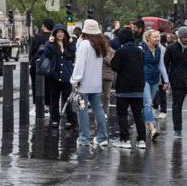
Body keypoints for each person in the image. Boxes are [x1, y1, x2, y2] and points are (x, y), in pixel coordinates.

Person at [70, 19, 109, 150]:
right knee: (98, 110)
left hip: (84, 83)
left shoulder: (85, 44)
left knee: (82, 111)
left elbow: (80, 64)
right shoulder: (100, 44)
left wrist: (75, 80)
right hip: (96, 83)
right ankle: (102, 137)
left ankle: (84, 138)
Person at [110, 28, 147, 149]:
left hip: (123, 88)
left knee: (122, 114)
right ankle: (142, 140)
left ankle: (124, 139)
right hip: (138, 87)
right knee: (138, 114)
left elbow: (114, 66)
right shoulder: (140, 51)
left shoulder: (120, 51)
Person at [39, 24, 75, 125]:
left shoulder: (69, 44)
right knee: (54, 98)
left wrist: (71, 43)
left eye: (62, 32)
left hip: (66, 75)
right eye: (58, 32)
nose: (60, 34)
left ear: (65, 33)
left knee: (67, 98)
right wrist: (49, 43)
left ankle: (70, 120)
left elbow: (73, 54)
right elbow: (46, 53)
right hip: (54, 75)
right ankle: (54, 119)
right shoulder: (51, 44)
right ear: (54, 33)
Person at [141, 29, 169, 142]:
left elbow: (161, 66)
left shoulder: (159, 49)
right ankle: (152, 129)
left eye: (158, 37)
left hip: (155, 79)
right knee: (148, 104)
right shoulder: (141, 48)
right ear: (148, 38)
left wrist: (166, 81)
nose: (157, 39)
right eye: (155, 37)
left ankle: (141, 124)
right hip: (144, 79)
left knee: (147, 105)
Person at [164, 26, 187, 138]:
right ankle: (177, 129)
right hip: (177, 82)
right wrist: (167, 79)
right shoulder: (171, 48)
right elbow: (165, 64)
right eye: (184, 37)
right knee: (177, 106)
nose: (186, 39)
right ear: (179, 37)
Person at [28, 18, 55, 103]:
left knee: (36, 85)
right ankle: (48, 105)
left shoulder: (37, 37)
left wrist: (30, 61)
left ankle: (37, 106)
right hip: (50, 65)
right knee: (49, 86)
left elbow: (32, 51)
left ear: (43, 26)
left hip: (37, 65)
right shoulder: (54, 37)